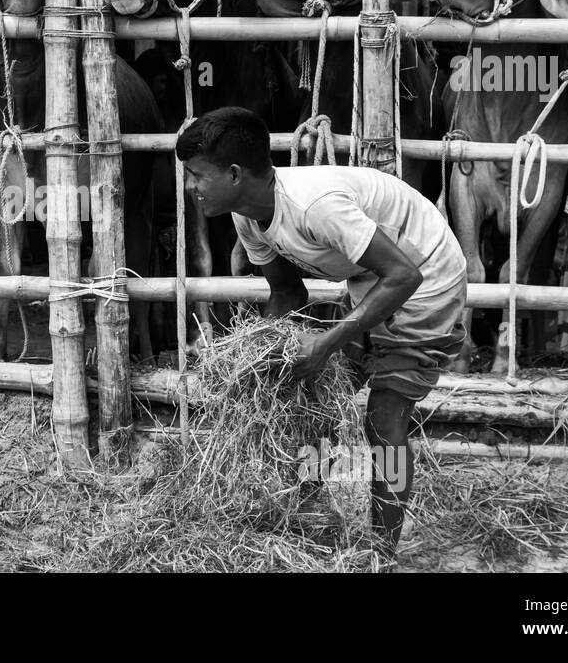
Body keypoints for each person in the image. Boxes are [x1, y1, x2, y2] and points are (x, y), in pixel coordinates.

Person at [175, 107, 467, 556]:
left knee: (383, 417)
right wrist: (258, 356)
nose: (190, 187)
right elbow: (288, 293)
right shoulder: (246, 215)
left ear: (234, 174)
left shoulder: (316, 206)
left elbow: (405, 277)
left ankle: (380, 554)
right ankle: (315, 514)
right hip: (371, 278)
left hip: (427, 274)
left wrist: (327, 343)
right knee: (302, 394)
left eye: (196, 175)